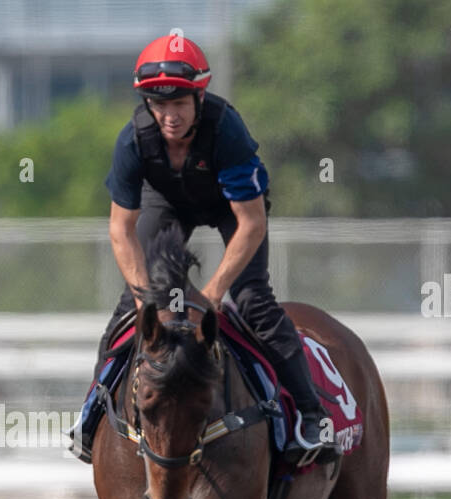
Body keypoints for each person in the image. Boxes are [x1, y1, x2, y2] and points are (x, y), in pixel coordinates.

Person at [69, 34, 338, 468]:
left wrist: (212, 295)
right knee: (127, 309)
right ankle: (92, 412)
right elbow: (121, 229)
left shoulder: (227, 131)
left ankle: (310, 415)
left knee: (252, 301)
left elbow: (250, 224)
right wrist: (144, 300)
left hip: (232, 207)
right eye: (159, 106)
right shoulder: (133, 140)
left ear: (199, 97)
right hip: (168, 202)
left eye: (179, 104)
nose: (169, 117)